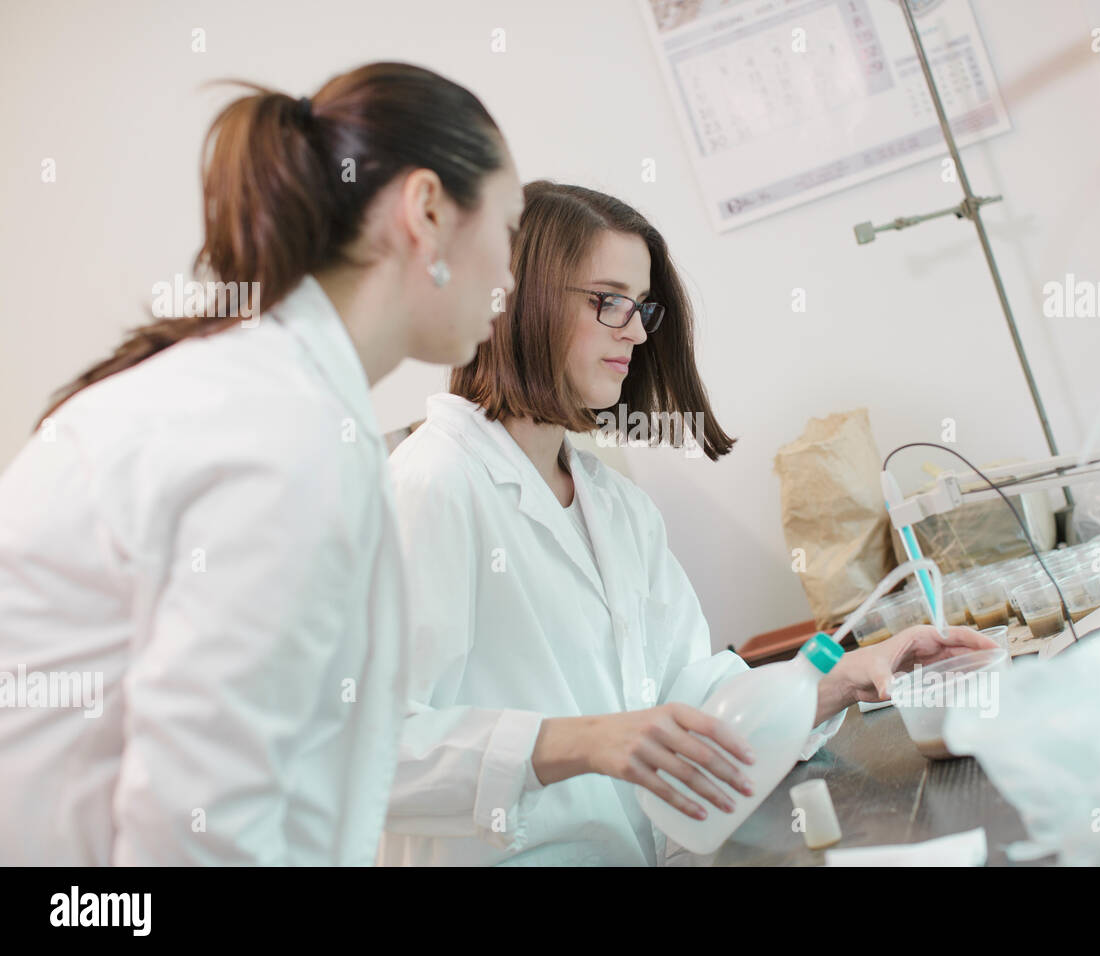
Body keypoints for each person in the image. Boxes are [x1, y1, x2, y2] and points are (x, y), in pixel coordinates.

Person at [380, 181, 995, 865]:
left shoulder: (614, 506)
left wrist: (841, 680)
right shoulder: (429, 483)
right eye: (609, 301)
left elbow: (689, 701)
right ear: (519, 299)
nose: (638, 331)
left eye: (641, 307)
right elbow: (363, 755)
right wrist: (578, 741)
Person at [0, 62, 523, 864]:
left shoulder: (277, 398)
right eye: (510, 230)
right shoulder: (284, 435)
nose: (512, 276)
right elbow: (197, 829)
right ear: (426, 210)